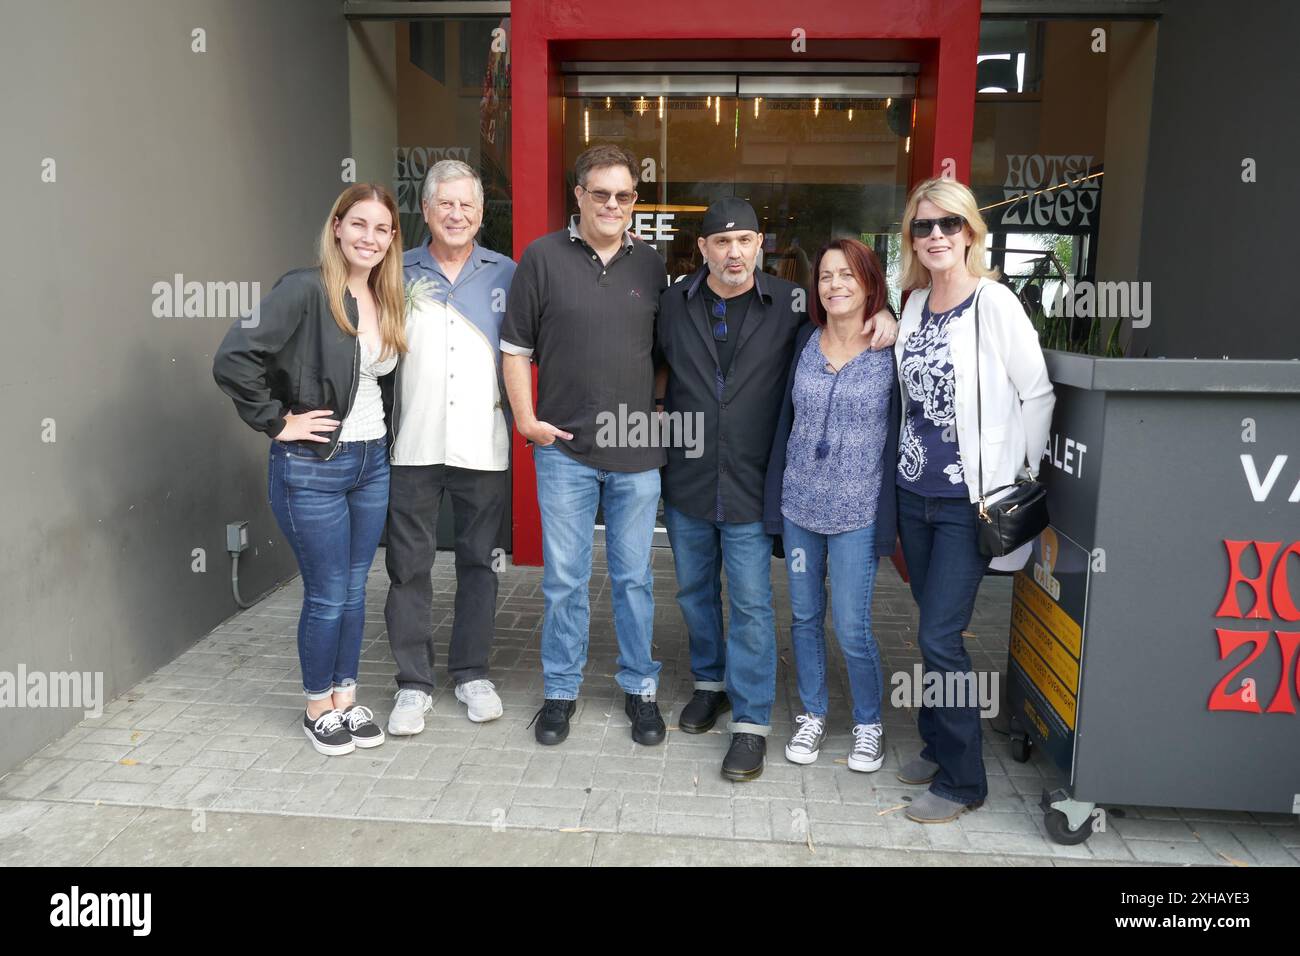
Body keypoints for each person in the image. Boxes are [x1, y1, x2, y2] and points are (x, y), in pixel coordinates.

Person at [657, 201, 896, 781]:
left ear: (760, 243)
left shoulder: (790, 309)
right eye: (721, 242)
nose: (733, 252)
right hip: (688, 478)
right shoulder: (672, 305)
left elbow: (853, 315)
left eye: (744, 239)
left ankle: (752, 722)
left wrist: (889, 313)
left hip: (750, 483)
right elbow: (652, 372)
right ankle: (710, 684)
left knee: (751, 603)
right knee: (692, 592)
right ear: (703, 249)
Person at [213, 184, 407, 756]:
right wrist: (277, 423)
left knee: (354, 588)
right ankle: (316, 705)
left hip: (372, 462)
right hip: (314, 465)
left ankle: (346, 698)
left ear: (392, 239)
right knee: (326, 594)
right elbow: (233, 356)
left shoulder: (385, 297)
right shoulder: (304, 289)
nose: (369, 238)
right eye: (360, 225)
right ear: (338, 227)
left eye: (382, 229)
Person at [892, 177, 1054, 823]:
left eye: (948, 225)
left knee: (940, 638)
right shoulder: (911, 304)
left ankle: (964, 783)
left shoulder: (994, 303)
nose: (935, 237)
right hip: (914, 493)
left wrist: (1020, 476)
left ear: (970, 233)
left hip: (969, 502)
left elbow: (1036, 392)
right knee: (937, 630)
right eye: (923, 227)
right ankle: (937, 743)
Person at [500, 144, 668, 747]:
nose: (614, 205)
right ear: (579, 196)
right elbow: (515, 349)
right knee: (566, 580)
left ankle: (640, 689)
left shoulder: (652, 265)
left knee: (635, 579)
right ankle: (561, 690)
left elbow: (664, 354)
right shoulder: (542, 258)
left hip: (636, 455)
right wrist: (527, 421)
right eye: (602, 194)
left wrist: (655, 414)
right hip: (563, 449)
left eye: (625, 195)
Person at [382, 160, 517, 735]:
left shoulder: (508, 273)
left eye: (468, 205)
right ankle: (413, 685)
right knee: (408, 567)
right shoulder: (394, 269)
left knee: (479, 564)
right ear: (427, 209)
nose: (457, 215)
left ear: (481, 212)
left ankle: (471, 673)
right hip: (412, 443)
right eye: (446, 204)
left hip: (483, 447)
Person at [764, 238, 900, 776]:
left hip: (858, 513)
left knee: (850, 625)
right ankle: (812, 713)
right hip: (800, 506)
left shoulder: (894, 342)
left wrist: (890, 314)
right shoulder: (803, 339)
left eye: (847, 274)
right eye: (825, 276)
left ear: (869, 281)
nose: (835, 284)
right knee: (803, 616)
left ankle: (869, 724)